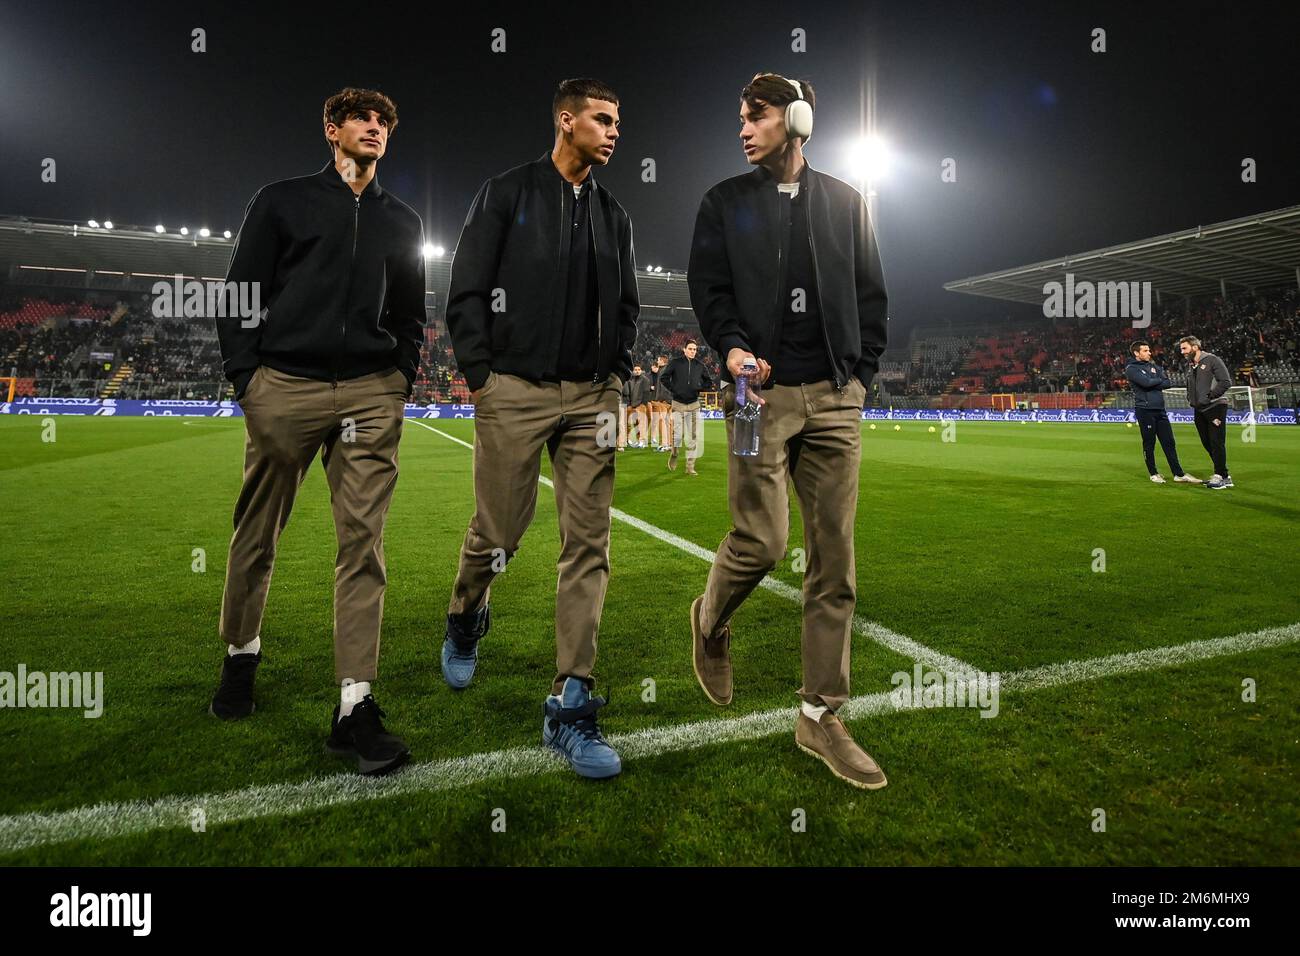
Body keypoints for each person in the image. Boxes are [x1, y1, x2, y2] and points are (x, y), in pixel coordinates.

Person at [210, 87, 425, 776]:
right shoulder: (282, 200)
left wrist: (399, 380)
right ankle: (241, 655)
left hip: (370, 393)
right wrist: (250, 382)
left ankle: (354, 704)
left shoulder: (403, 220)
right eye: (364, 118)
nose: (375, 129)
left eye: (385, 122)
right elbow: (241, 292)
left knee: (363, 544)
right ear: (332, 129)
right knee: (257, 531)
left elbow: (413, 315)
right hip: (286, 387)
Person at [687, 72, 888, 789]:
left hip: (835, 398)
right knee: (763, 541)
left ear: (796, 120)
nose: (744, 128)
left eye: (758, 115)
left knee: (834, 558)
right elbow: (708, 292)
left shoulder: (846, 202)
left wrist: (856, 376)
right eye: (741, 117)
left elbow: (871, 295)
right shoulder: (723, 203)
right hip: (752, 397)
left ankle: (820, 714)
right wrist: (734, 347)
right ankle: (709, 621)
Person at [442, 78, 638, 779]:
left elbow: (628, 306)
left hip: (593, 398)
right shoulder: (507, 192)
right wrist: (482, 375)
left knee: (589, 541)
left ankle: (571, 701)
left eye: (618, 122)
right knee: (499, 532)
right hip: (514, 390)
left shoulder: (615, 216)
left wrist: (613, 376)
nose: (615, 131)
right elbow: (466, 285)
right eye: (603, 119)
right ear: (566, 119)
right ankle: (466, 613)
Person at [1125, 341, 1199, 484]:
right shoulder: (1131, 369)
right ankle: (1153, 473)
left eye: (1148, 350)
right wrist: (1155, 381)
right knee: (1149, 443)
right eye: (1145, 350)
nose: (1149, 353)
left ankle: (1178, 474)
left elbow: (1167, 383)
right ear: (1136, 353)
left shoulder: (1154, 367)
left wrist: (1152, 381)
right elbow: (1146, 383)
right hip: (1145, 410)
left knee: (1169, 442)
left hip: (1160, 409)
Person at [1177, 335, 1234, 489]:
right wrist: (1191, 400)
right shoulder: (1191, 365)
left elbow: (1226, 382)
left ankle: (1219, 475)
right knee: (1207, 442)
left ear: (1195, 347)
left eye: (1184, 348)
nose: (1182, 352)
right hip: (1199, 409)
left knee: (1216, 441)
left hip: (1215, 406)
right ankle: (1224, 475)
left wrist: (1211, 396)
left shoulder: (1212, 360)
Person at [659, 340, 715, 475]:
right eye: (690, 349)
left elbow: (709, 381)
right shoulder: (676, 363)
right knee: (677, 436)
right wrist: (674, 389)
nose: (692, 351)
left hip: (694, 404)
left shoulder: (700, 366)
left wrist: (699, 388)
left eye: (695, 349)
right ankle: (674, 454)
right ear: (684, 350)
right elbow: (664, 378)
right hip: (678, 403)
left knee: (694, 436)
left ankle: (690, 467)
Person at [622, 364, 652, 447]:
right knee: (630, 423)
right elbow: (628, 393)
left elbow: (646, 392)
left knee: (641, 423)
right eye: (635, 369)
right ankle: (628, 439)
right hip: (631, 404)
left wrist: (643, 404)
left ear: (641, 370)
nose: (637, 371)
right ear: (633, 371)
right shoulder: (631, 380)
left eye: (639, 369)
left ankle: (642, 441)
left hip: (640, 404)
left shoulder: (645, 379)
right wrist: (629, 404)